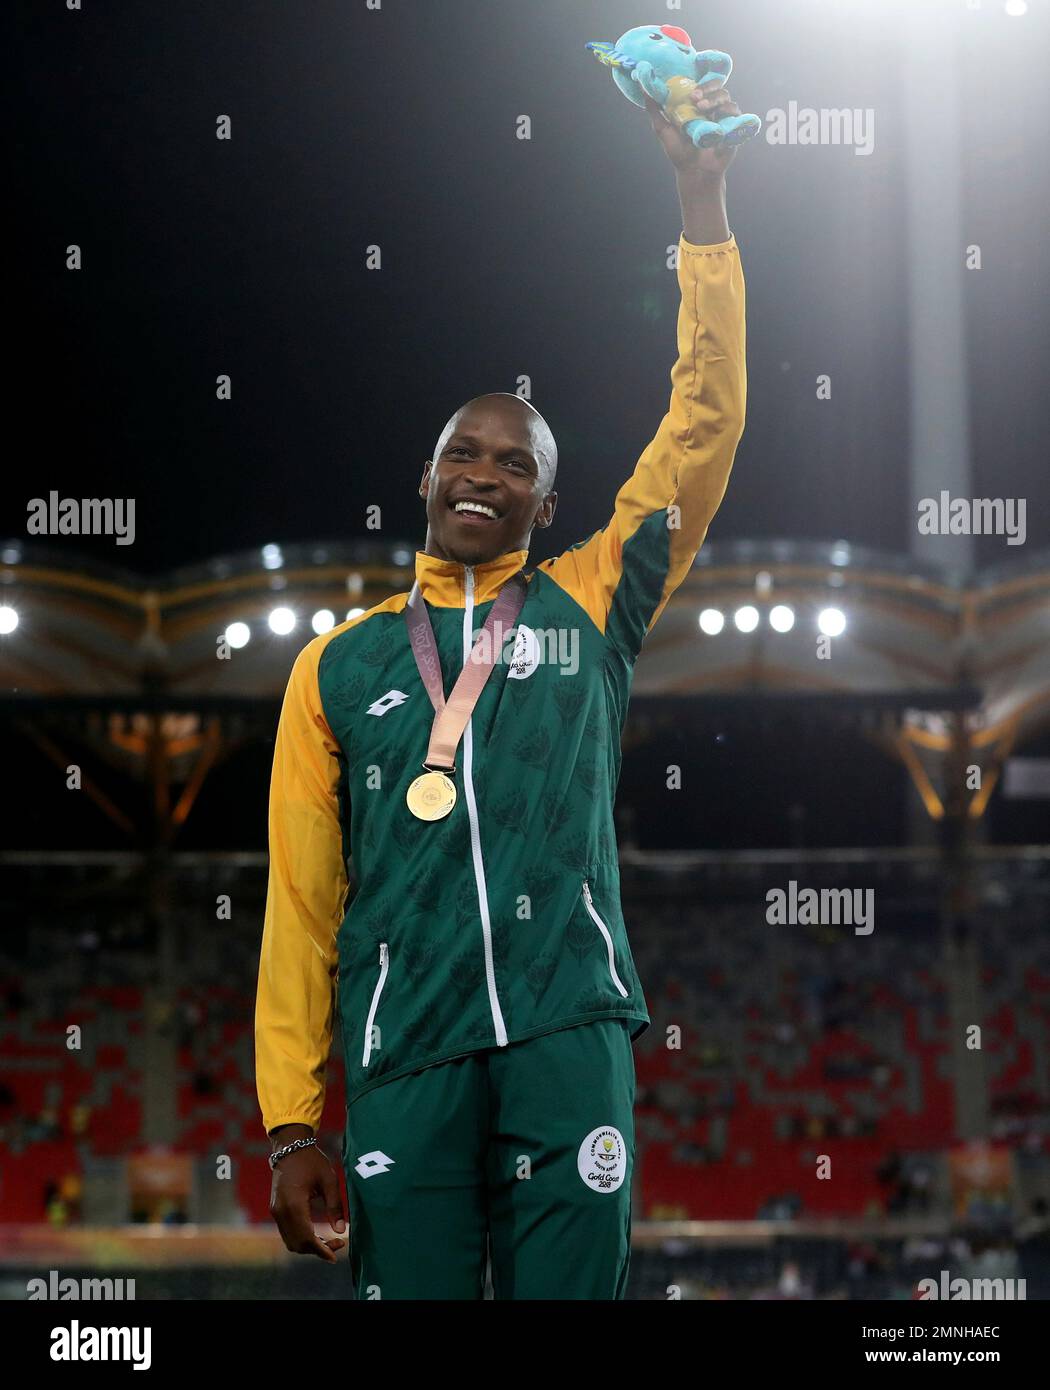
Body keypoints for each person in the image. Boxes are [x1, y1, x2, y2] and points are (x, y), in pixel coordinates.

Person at [255, 81, 749, 1299]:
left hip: (565, 1029)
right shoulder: (338, 664)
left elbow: (705, 423)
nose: (484, 474)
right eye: (462, 454)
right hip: (399, 1042)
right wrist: (288, 1121)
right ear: (423, 479)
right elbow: (303, 901)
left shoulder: (593, 598)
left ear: (548, 502)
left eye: (514, 463)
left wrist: (701, 199)